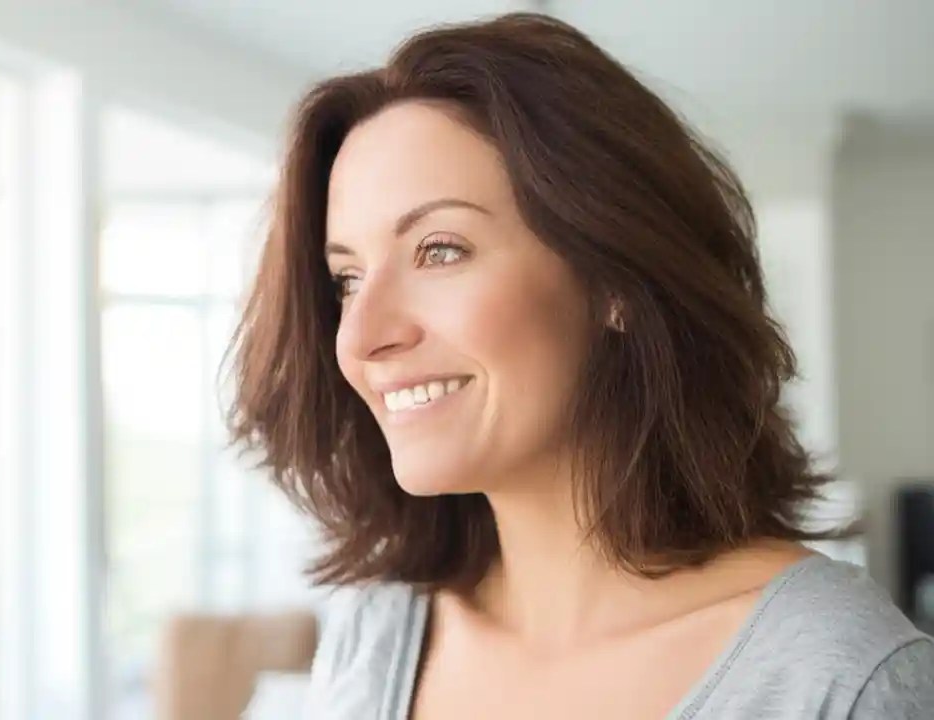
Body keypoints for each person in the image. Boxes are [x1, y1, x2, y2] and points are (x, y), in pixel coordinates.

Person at [226, 12, 933, 720]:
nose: (361, 336)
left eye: (440, 250)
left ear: (614, 280)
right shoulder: (376, 633)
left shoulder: (844, 679)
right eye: (347, 279)